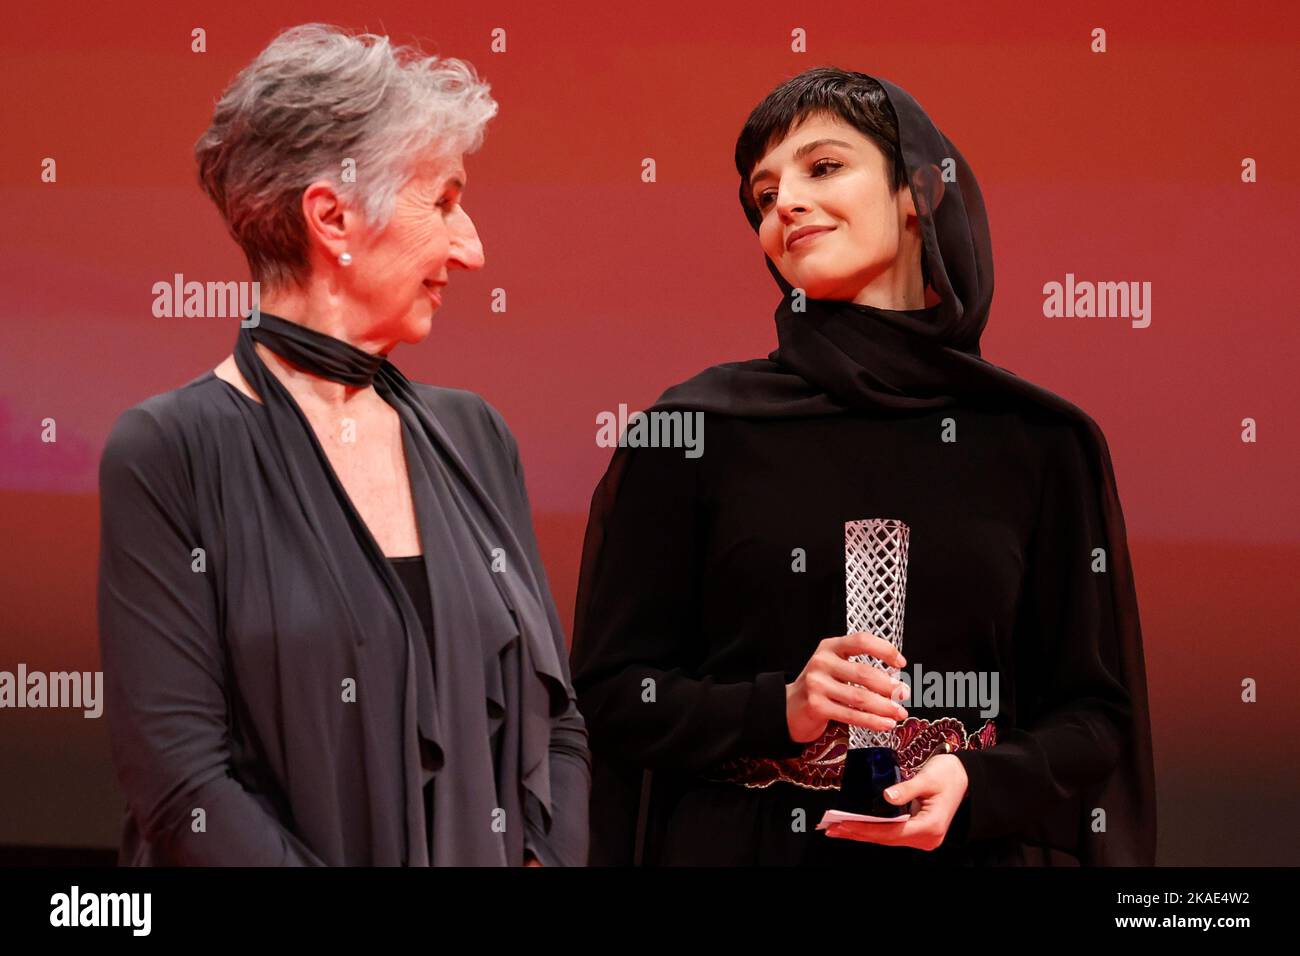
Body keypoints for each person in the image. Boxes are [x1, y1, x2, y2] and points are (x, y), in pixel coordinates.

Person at [570, 67, 1155, 866]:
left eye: (823, 167)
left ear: (918, 192)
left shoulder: (1038, 441)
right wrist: (779, 710)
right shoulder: (694, 429)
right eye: (764, 195)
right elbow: (613, 692)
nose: (786, 206)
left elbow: (1093, 713)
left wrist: (975, 784)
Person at [97, 23, 589, 866]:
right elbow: (183, 786)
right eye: (441, 201)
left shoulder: (475, 436)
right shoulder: (168, 449)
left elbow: (561, 729)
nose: (470, 248)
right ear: (333, 217)